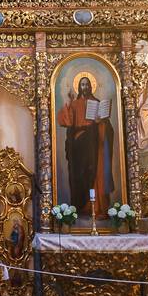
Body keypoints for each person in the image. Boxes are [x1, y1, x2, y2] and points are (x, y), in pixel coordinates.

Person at [57, 75, 114, 211]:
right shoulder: (75, 104)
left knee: (94, 171)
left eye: (87, 84)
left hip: (94, 144)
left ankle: (94, 206)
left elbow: (108, 129)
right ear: (79, 87)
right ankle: (81, 206)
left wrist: (101, 123)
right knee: (80, 175)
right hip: (79, 146)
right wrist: (69, 102)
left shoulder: (97, 103)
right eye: (82, 84)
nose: (85, 87)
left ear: (91, 86)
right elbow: (65, 121)